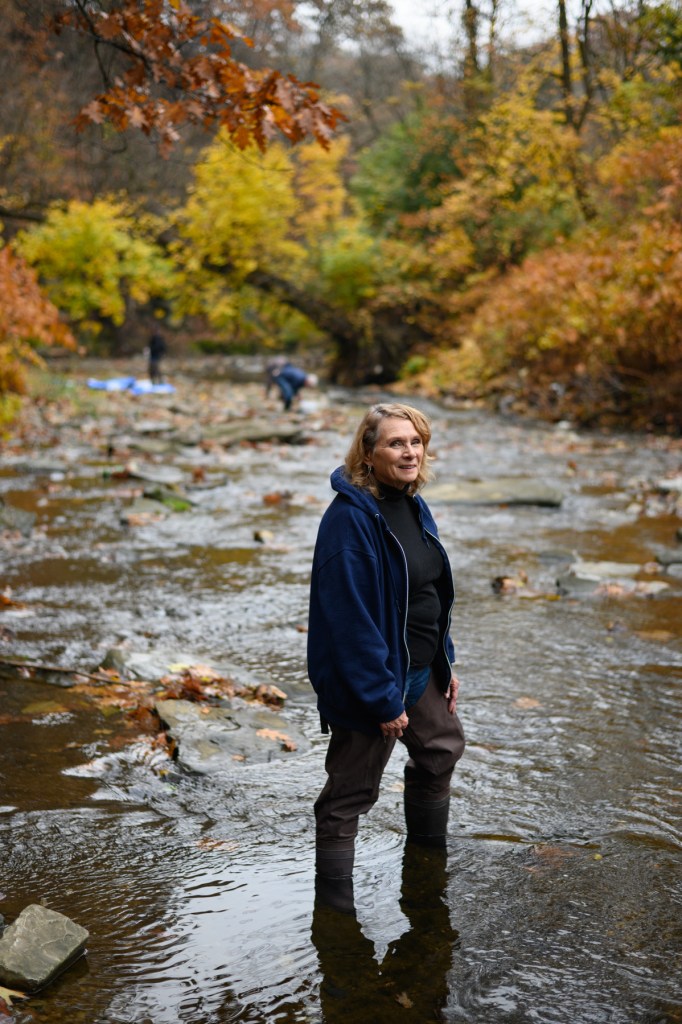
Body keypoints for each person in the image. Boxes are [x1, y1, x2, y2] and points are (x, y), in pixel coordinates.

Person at [307, 402, 465, 908]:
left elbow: (430, 592)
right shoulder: (348, 524)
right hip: (371, 682)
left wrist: (445, 661)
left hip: (420, 668)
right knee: (348, 797)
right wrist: (380, 699)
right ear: (368, 453)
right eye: (396, 443)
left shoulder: (413, 504)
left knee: (440, 751)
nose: (410, 451)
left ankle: (425, 863)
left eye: (416, 442)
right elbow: (350, 624)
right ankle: (334, 913)